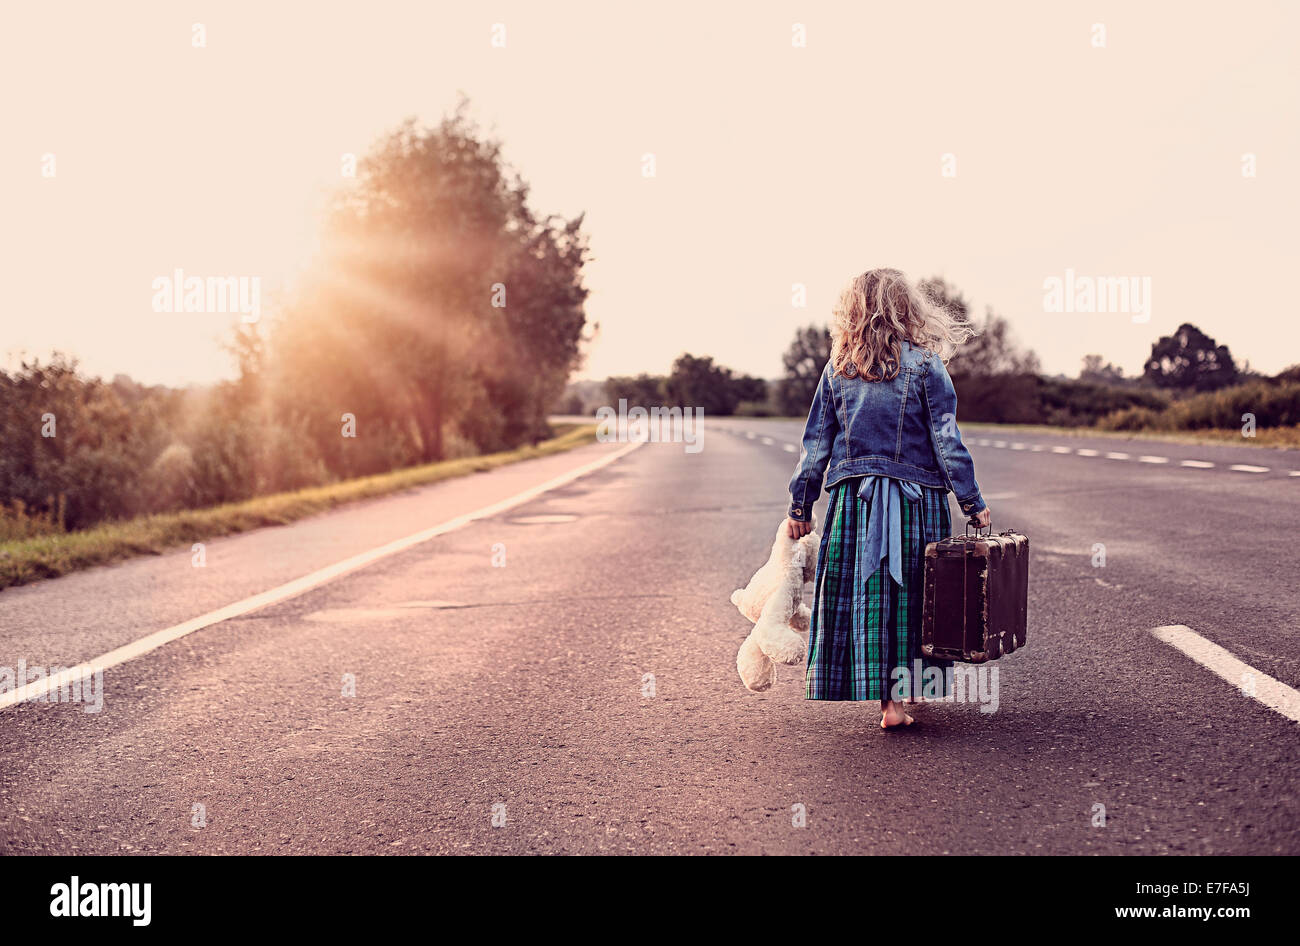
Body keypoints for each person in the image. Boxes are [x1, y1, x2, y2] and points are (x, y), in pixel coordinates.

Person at [786, 269, 989, 730]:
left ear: (851, 313)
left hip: (855, 507)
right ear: (908, 310)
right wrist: (972, 502)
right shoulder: (925, 365)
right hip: (918, 504)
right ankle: (912, 685)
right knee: (917, 596)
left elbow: (815, 443)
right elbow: (947, 442)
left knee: (870, 598)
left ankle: (889, 707)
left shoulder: (837, 368)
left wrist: (801, 506)